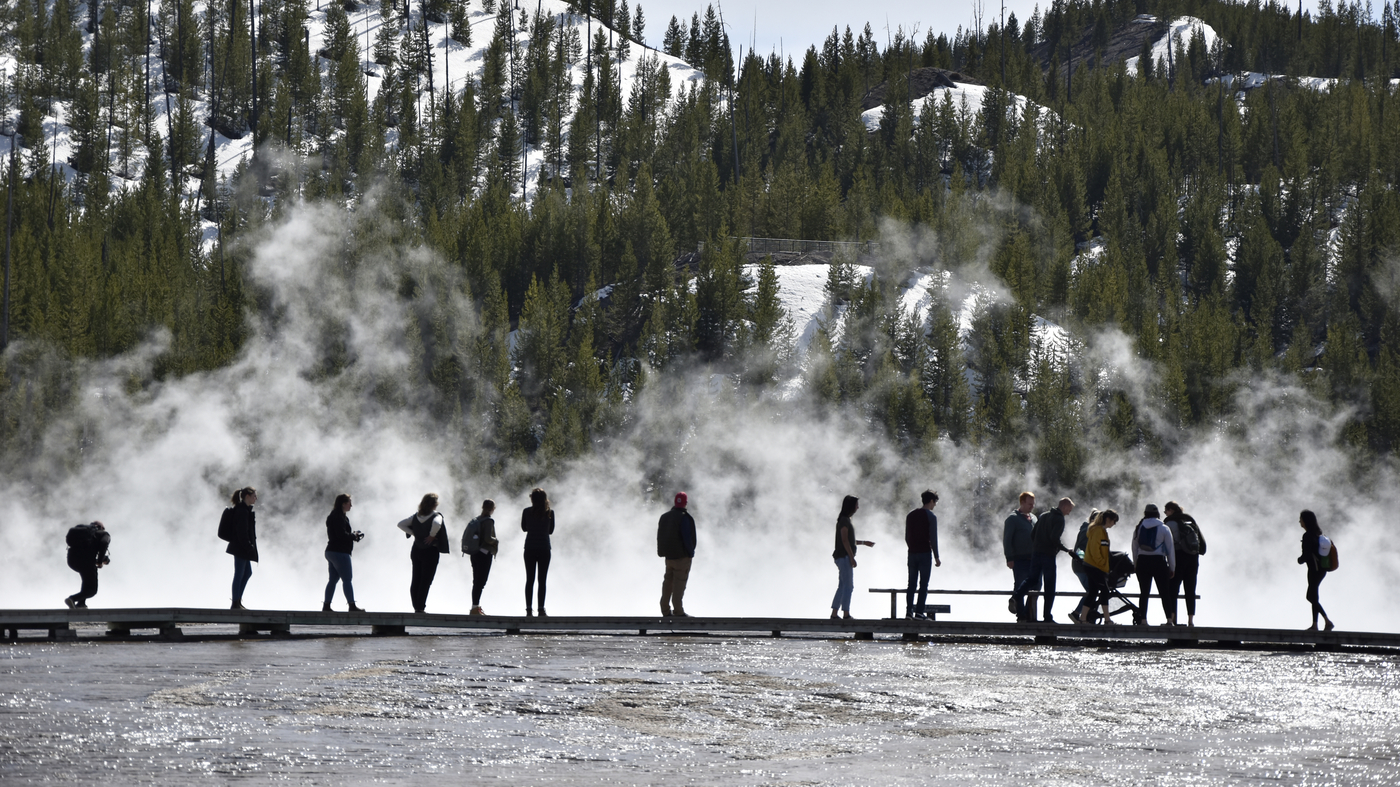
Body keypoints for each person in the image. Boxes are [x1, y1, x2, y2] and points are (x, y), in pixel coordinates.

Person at [398, 493, 448, 613]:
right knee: (426, 580)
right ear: (434, 504)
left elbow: (401, 524)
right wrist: (431, 536)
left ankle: (416, 606)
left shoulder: (416, 516)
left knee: (416, 579)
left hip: (416, 550)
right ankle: (420, 608)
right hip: (430, 551)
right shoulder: (436, 515)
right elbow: (437, 524)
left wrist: (416, 534)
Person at [1030, 497, 1075, 623]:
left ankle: (1029, 614)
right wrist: (1066, 550)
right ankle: (1047, 617)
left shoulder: (1043, 516)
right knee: (1050, 588)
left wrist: (1037, 547)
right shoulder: (1059, 519)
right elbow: (1054, 538)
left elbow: (1032, 535)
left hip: (1037, 554)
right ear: (1065, 507)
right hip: (1048, 556)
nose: (1069, 513)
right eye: (1069, 510)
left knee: (1033, 583)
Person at [1130, 503, 1175, 625]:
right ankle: (1169, 620)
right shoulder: (1164, 528)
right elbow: (1170, 550)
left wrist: (1135, 564)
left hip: (1142, 562)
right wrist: (1172, 567)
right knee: (1165, 592)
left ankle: (1143, 620)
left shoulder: (1139, 527)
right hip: (1159, 562)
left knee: (1144, 592)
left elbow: (1134, 548)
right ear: (1157, 514)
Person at [1162, 501, 1206, 627]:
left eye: (1166, 511)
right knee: (1190, 589)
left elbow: (1168, 544)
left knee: (1173, 589)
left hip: (1179, 556)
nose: (1165, 513)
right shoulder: (1190, 520)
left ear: (1171, 510)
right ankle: (1190, 621)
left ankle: (1172, 620)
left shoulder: (1170, 522)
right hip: (1193, 558)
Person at [1071, 509, 1119, 624]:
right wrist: (1103, 563)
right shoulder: (1098, 531)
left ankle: (1082, 618)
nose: (1114, 524)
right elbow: (1095, 550)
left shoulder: (1101, 531)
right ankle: (1107, 620)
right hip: (1094, 566)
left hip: (1093, 565)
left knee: (1093, 592)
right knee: (1104, 591)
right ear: (1108, 519)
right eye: (1114, 521)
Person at [831, 495, 874, 619]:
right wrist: (851, 557)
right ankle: (846, 613)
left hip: (843, 557)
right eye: (856, 505)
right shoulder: (844, 520)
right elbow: (844, 540)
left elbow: (849, 540)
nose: (858, 508)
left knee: (842, 586)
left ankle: (835, 613)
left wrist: (864, 543)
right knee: (848, 586)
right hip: (844, 557)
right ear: (851, 506)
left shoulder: (844, 520)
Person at [657, 492, 697, 617]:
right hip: (682, 557)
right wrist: (691, 553)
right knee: (679, 584)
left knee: (668, 582)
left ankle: (665, 609)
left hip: (669, 557)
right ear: (685, 503)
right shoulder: (684, 517)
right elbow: (687, 538)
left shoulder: (665, 517)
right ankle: (678, 611)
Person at [903, 490, 942, 619]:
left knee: (911, 584)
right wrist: (936, 557)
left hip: (912, 553)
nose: (935, 505)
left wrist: (912, 547)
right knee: (923, 584)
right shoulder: (931, 516)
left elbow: (907, 537)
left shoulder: (910, 515)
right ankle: (919, 612)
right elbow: (933, 538)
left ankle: (909, 612)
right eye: (935, 502)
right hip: (925, 553)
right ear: (931, 501)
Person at [323, 493, 364, 612]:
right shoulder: (339, 517)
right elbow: (341, 535)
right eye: (349, 503)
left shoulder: (335, 516)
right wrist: (353, 536)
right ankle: (352, 606)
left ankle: (326, 606)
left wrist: (352, 536)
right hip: (340, 552)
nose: (351, 505)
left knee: (333, 580)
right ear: (343, 504)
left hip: (331, 551)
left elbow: (338, 534)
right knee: (347, 579)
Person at [1297, 509, 1336, 631]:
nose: (1299, 522)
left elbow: (1307, 554)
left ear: (1306, 521)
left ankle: (1321, 623)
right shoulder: (1316, 534)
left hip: (1314, 569)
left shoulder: (1307, 535)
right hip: (1321, 569)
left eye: (1301, 519)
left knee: (1312, 596)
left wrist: (1300, 560)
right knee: (1312, 596)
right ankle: (1321, 623)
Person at [1003, 492, 1038, 622]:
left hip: (1034, 559)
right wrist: (1009, 557)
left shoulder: (1034, 518)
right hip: (1019, 558)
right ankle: (1021, 614)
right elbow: (1007, 540)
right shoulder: (1012, 519)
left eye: (1033, 504)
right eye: (1029, 504)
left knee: (1035, 586)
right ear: (1022, 502)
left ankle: (1031, 613)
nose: (1032, 506)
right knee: (1020, 584)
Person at [223, 487, 258, 610]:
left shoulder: (244, 510)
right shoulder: (242, 511)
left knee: (247, 573)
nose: (256, 498)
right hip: (241, 548)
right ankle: (235, 603)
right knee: (239, 573)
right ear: (247, 496)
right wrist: (248, 546)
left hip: (241, 548)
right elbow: (241, 532)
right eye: (254, 496)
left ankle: (237, 601)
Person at [521, 488, 555, 616]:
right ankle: (541, 608)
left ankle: (529, 609)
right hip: (544, 548)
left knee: (530, 579)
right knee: (542, 580)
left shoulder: (526, 511)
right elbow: (551, 531)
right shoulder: (550, 513)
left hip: (530, 547)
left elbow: (524, 528)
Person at [462, 500, 498, 616]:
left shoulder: (477, 519)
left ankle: (475, 606)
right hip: (484, 554)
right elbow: (488, 538)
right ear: (492, 509)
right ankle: (474, 608)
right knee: (481, 582)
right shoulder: (488, 521)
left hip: (474, 553)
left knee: (476, 581)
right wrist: (496, 541)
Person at [64, 521, 110, 609]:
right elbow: (104, 543)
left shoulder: (84, 535)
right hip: (86, 561)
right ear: (101, 527)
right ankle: (72, 599)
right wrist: (100, 561)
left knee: (87, 579)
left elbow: (88, 551)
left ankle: (81, 603)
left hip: (72, 561)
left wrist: (101, 559)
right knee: (92, 590)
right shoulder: (103, 534)